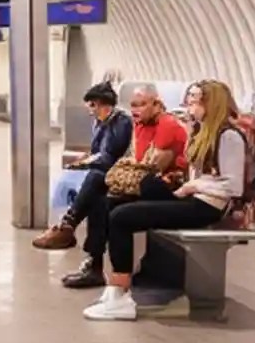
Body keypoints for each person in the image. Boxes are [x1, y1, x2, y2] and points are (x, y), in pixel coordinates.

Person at [82, 79, 246, 321]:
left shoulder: (229, 136)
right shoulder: (202, 131)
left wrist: (192, 186)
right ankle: (119, 285)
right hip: (195, 196)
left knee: (122, 217)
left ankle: (119, 292)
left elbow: (233, 186)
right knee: (114, 203)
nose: (189, 107)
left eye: (195, 101)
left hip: (207, 206)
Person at [50, 84, 189, 289]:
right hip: (148, 183)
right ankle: (91, 261)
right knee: (99, 198)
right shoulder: (139, 126)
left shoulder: (167, 125)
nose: (135, 110)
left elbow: (151, 167)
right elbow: (137, 161)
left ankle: (73, 232)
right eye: (133, 105)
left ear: (156, 104)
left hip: (166, 187)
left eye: (141, 105)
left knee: (101, 186)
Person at [34, 83, 133, 250]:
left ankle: (68, 226)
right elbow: (98, 152)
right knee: (95, 196)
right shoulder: (99, 123)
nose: (90, 110)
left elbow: (110, 156)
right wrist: (85, 160)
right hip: (104, 172)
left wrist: (88, 162)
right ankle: (87, 255)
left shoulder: (121, 122)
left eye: (93, 105)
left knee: (95, 181)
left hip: (119, 171)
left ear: (104, 104)